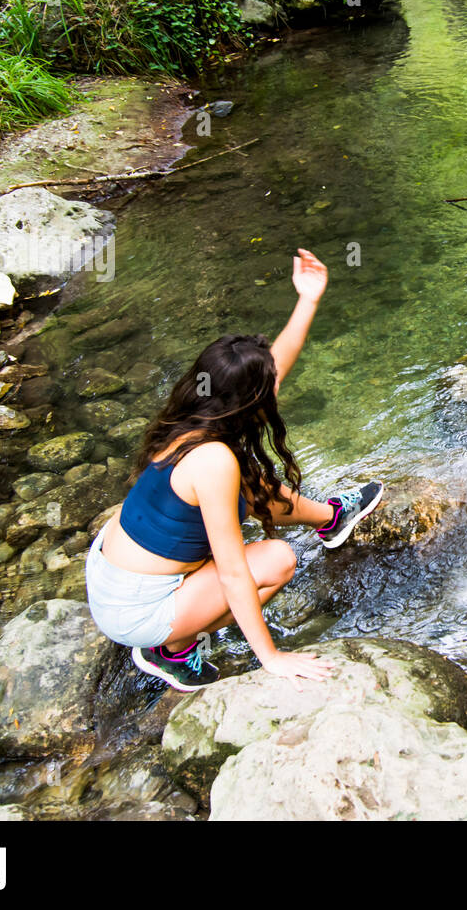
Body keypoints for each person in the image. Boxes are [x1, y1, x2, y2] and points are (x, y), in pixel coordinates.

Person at [85, 248, 384, 692]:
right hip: (135, 609)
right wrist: (272, 657)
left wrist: (309, 297)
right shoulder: (214, 459)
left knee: (250, 485)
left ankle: (331, 520)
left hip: (111, 568)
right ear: (250, 401)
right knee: (278, 560)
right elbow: (232, 572)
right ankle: (170, 649)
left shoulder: (193, 416)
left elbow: (275, 368)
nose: (276, 389)